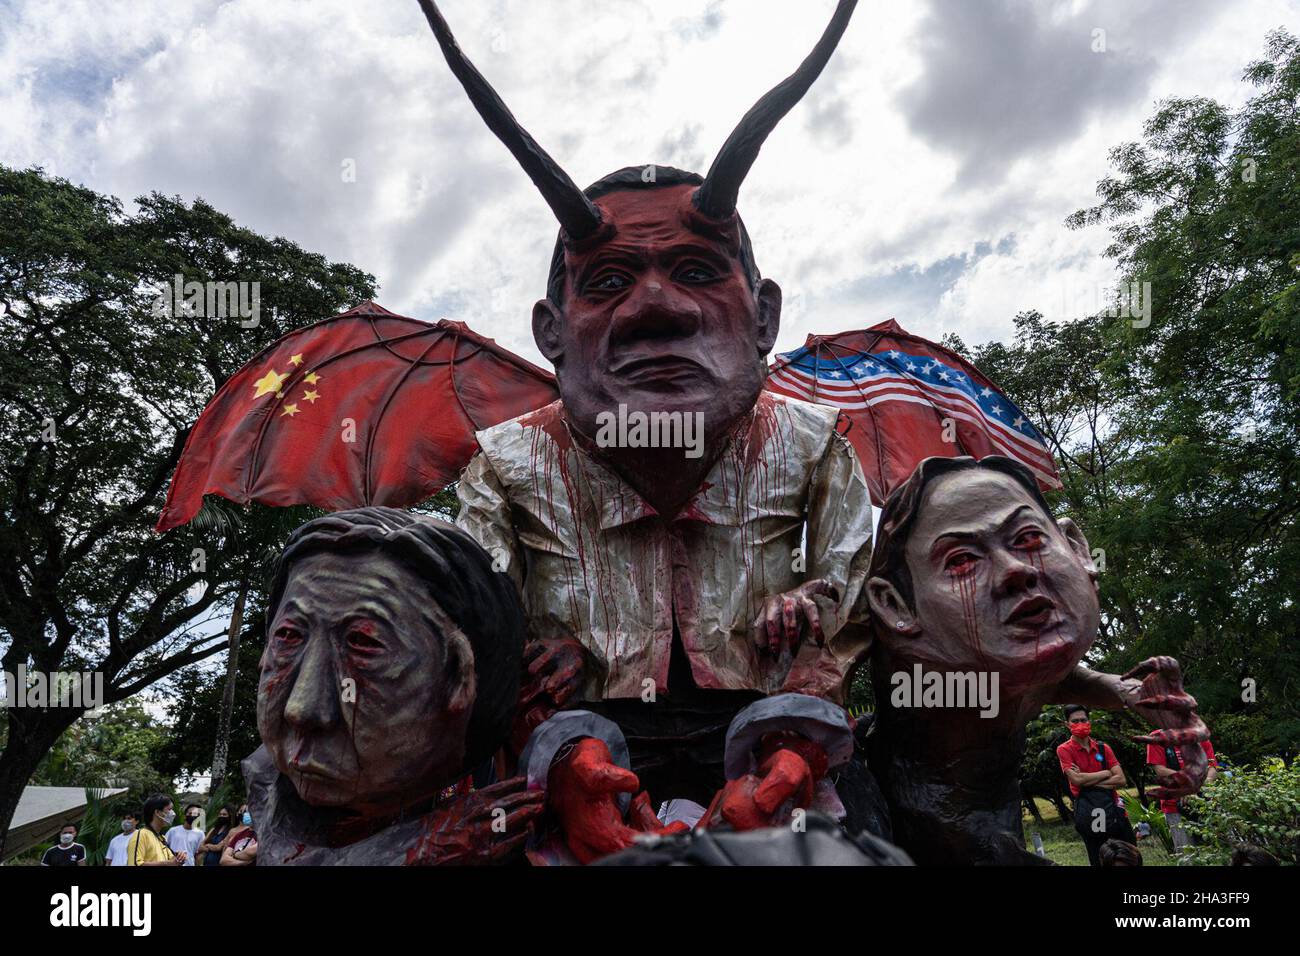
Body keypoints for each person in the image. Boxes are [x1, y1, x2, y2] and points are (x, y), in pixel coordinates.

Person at [861, 455, 1208, 864]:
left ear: (1078, 548)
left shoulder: (1001, 666)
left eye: (1027, 539)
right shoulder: (916, 674)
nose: (1014, 570)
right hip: (906, 824)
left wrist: (1133, 692)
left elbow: (1047, 680)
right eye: (961, 560)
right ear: (894, 605)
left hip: (996, 810)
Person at [243, 508, 542, 865]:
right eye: (289, 637)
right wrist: (410, 849)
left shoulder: (521, 751)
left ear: (460, 673)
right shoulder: (271, 777)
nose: (302, 708)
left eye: (363, 643)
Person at [1056, 705, 1137, 866]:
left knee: (1130, 855)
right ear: (1067, 725)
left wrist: (1087, 780)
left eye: (1083, 720)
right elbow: (1076, 781)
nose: (1080, 723)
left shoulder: (1102, 748)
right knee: (1100, 856)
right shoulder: (1064, 749)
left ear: (1089, 721)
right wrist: (1106, 773)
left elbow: (1121, 779)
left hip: (1113, 806)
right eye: (1075, 721)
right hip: (1090, 811)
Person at [1147, 735, 1217, 851]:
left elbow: (1212, 769)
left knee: (1214, 852)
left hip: (1205, 803)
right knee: (1187, 855)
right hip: (1174, 806)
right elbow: (1160, 770)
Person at [126, 794, 186, 866]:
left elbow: (172, 861)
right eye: (169, 809)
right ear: (157, 812)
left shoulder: (162, 838)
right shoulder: (141, 835)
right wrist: (167, 864)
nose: (173, 813)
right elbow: (135, 864)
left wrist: (179, 858)